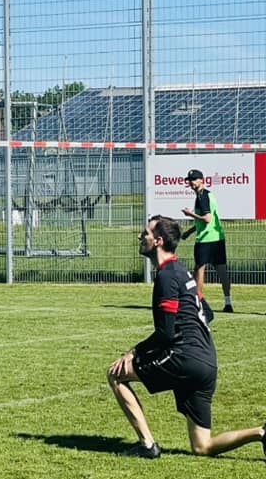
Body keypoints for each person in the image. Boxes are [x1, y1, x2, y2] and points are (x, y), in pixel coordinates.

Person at [107, 215, 265, 460]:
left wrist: (133, 351)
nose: (140, 237)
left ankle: (147, 445)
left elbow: (165, 334)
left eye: (145, 234)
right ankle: (261, 432)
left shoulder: (167, 276)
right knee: (202, 447)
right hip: (207, 362)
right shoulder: (183, 273)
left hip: (186, 357)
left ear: (158, 241)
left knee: (116, 374)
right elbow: (208, 313)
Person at [181, 167, 234, 313]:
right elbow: (206, 221)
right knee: (221, 270)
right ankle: (228, 302)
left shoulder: (202, 196)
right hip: (218, 238)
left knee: (199, 270)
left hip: (205, 240)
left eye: (193, 179)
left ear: (201, 180)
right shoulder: (210, 195)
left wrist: (190, 214)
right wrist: (189, 232)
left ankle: (198, 303)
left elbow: (207, 219)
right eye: (189, 180)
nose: (191, 182)